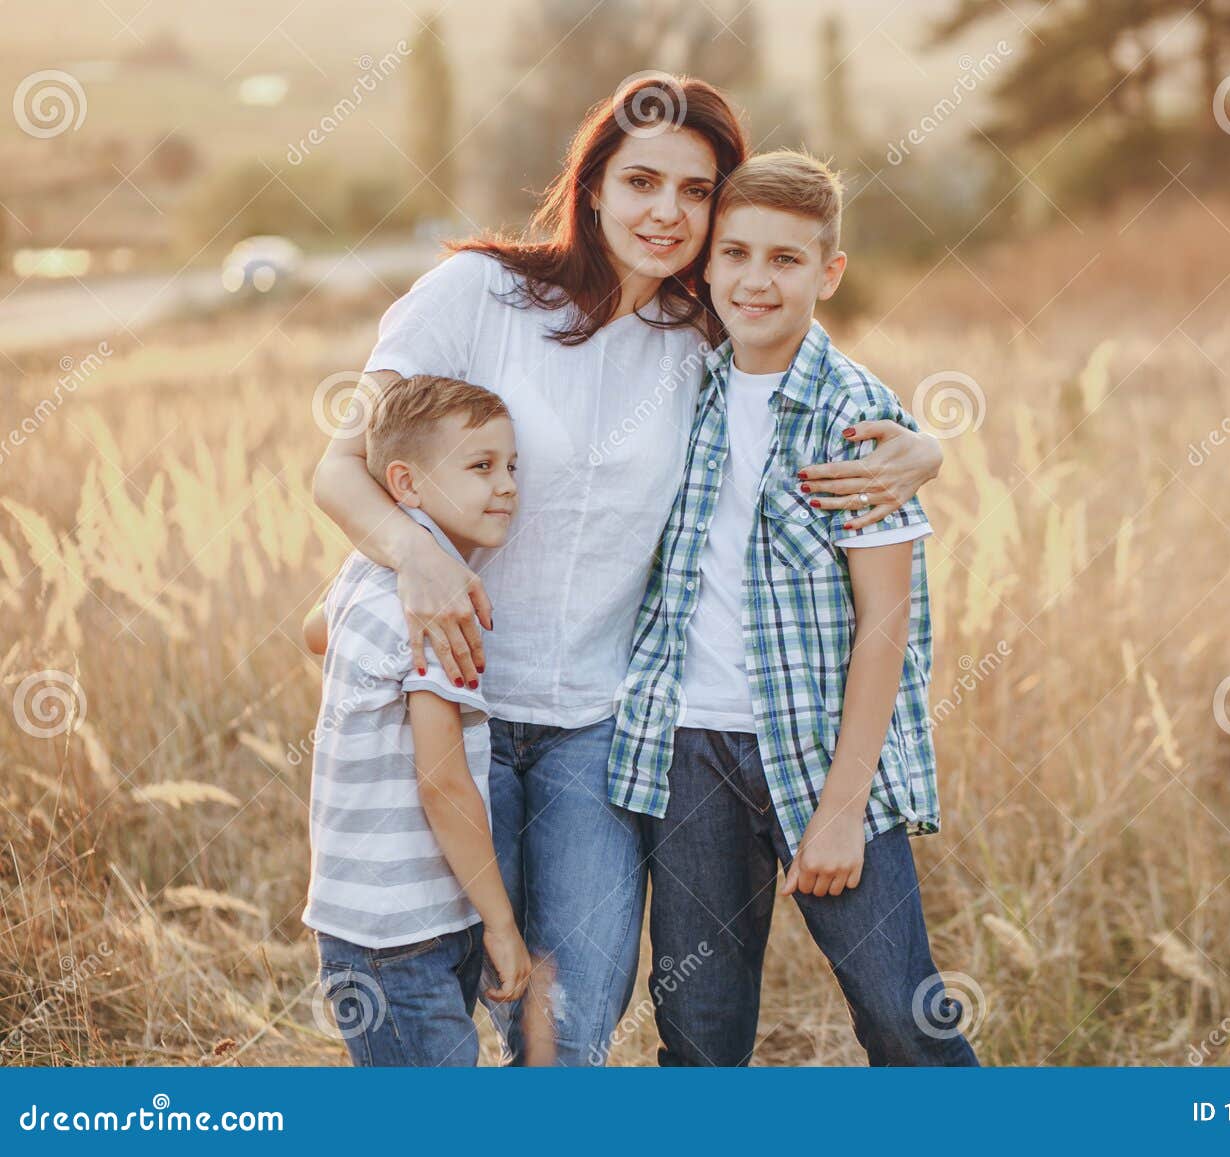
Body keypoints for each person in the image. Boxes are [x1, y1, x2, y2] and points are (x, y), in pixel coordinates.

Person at [310, 76, 946, 1065]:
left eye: (696, 192)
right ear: (592, 183)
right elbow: (340, 464)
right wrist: (415, 558)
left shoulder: (700, 339)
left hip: (595, 730)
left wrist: (925, 444)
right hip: (451, 702)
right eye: (641, 180)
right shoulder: (479, 293)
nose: (666, 212)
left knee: (571, 1025)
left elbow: (810, 373)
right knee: (422, 997)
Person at [610, 151, 979, 1066]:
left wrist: (843, 806)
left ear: (829, 271)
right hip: (687, 750)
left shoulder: (856, 415)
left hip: (821, 756)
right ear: (707, 265)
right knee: (698, 1029)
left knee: (901, 1013)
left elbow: (887, 623)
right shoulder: (681, 388)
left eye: (785, 259)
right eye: (734, 253)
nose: (755, 279)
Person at [303, 374, 532, 1066]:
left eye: (512, 465)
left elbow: (315, 630)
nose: (508, 485)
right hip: (398, 936)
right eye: (481, 466)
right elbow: (442, 782)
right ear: (405, 483)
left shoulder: (370, 570)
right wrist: (501, 922)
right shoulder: (437, 608)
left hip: (388, 919)